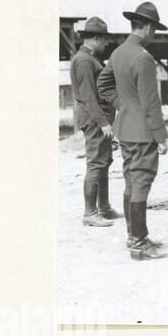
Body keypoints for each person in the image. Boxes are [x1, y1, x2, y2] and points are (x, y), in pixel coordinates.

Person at [107, 1, 168, 260]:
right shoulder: (143, 57)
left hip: (125, 129)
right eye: (154, 29)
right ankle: (138, 243)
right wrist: (161, 136)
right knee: (142, 183)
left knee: (131, 182)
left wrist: (122, 105)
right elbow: (151, 102)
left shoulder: (118, 53)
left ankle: (134, 236)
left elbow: (104, 84)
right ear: (147, 28)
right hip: (143, 132)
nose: (154, 35)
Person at [70, 17, 121, 227]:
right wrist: (103, 123)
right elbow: (89, 97)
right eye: (105, 40)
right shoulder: (84, 61)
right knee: (96, 163)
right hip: (94, 119)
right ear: (97, 38)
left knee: (104, 161)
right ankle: (90, 213)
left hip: (98, 118)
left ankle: (104, 207)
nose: (107, 44)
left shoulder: (88, 58)